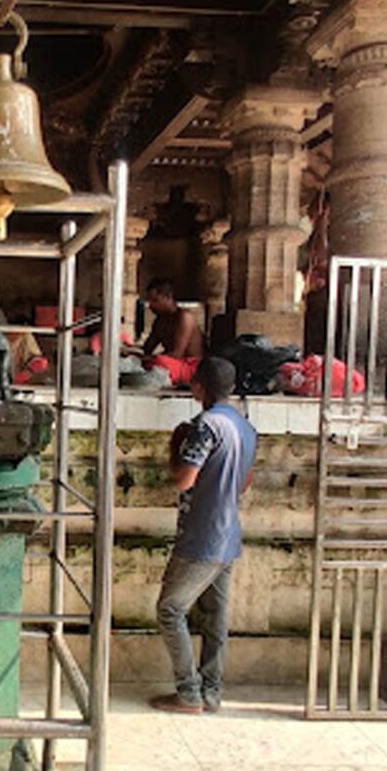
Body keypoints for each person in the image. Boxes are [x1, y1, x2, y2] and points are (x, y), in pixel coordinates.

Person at [150, 356, 258, 714]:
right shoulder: (245, 428)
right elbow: (244, 483)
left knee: (170, 610)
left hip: (202, 534)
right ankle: (212, 691)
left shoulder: (205, 426)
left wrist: (174, 451)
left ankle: (189, 692)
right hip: (229, 536)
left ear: (198, 387)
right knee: (214, 618)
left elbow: (185, 479)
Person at [129, 278, 204, 386]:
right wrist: (129, 351)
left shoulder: (185, 317)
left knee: (159, 362)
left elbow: (177, 354)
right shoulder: (159, 321)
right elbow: (147, 349)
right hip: (170, 363)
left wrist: (149, 359)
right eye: (149, 301)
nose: (150, 306)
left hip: (189, 367)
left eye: (155, 301)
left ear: (168, 298)